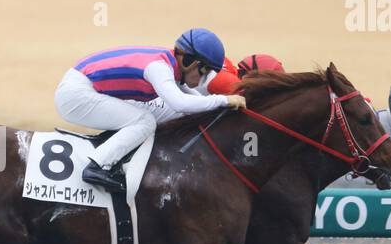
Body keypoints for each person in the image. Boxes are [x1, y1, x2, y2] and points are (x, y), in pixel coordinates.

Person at [55, 28, 247, 193]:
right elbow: (180, 103)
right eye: (203, 73)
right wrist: (222, 100)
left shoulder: (168, 63)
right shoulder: (159, 68)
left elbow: (188, 98)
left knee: (147, 117)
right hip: (75, 95)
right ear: (189, 62)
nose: (201, 82)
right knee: (144, 121)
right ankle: (96, 167)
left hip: (81, 88)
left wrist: (220, 105)